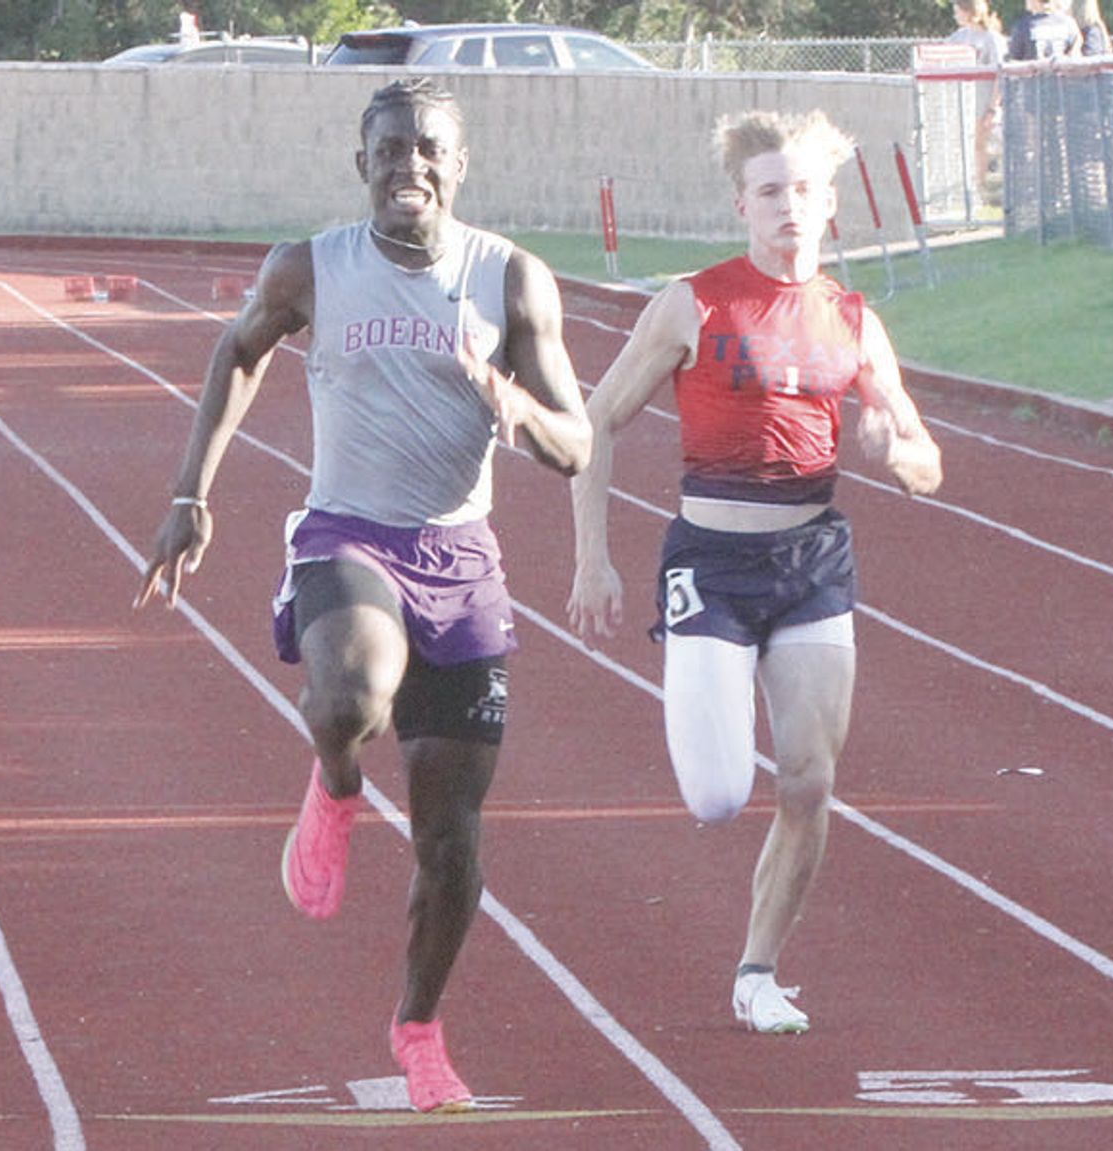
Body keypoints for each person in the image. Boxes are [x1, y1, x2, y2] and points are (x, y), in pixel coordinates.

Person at [134, 78, 590, 1111]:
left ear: (458, 166)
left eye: (428, 149)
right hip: (348, 533)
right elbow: (238, 347)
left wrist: (507, 399)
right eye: (389, 150)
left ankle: (419, 1027)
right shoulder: (311, 267)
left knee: (452, 847)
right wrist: (187, 494)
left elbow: (579, 443)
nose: (408, 167)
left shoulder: (510, 281)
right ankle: (337, 780)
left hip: (461, 561)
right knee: (350, 695)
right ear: (362, 164)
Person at [567, 110, 942, 1036]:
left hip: (813, 560)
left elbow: (926, 457)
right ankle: (710, 721)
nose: (789, 207)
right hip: (712, 560)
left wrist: (899, 448)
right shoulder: (694, 301)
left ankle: (757, 971)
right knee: (720, 795)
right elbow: (596, 421)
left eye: (805, 190)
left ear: (829, 208)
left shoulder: (854, 319)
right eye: (771, 191)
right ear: (743, 203)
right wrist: (593, 559)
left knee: (809, 783)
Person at [948, 0, 1008, 202]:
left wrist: (993, 108)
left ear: (969, 11)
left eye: (958, 10)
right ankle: (972, 189)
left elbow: (1001, 73)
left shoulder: (991, 38)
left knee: (987, 144)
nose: (955, 15)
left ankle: (990, 189)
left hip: (985, 102)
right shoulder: (959, 37)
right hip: (963, 102)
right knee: (971, 146)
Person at [1007, 0, 1082, 61]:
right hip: (1063, 78)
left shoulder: (1023, 26)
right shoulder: (1069, 23)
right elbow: (1076, 56)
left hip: (1034, 78)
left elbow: (1014, 60)